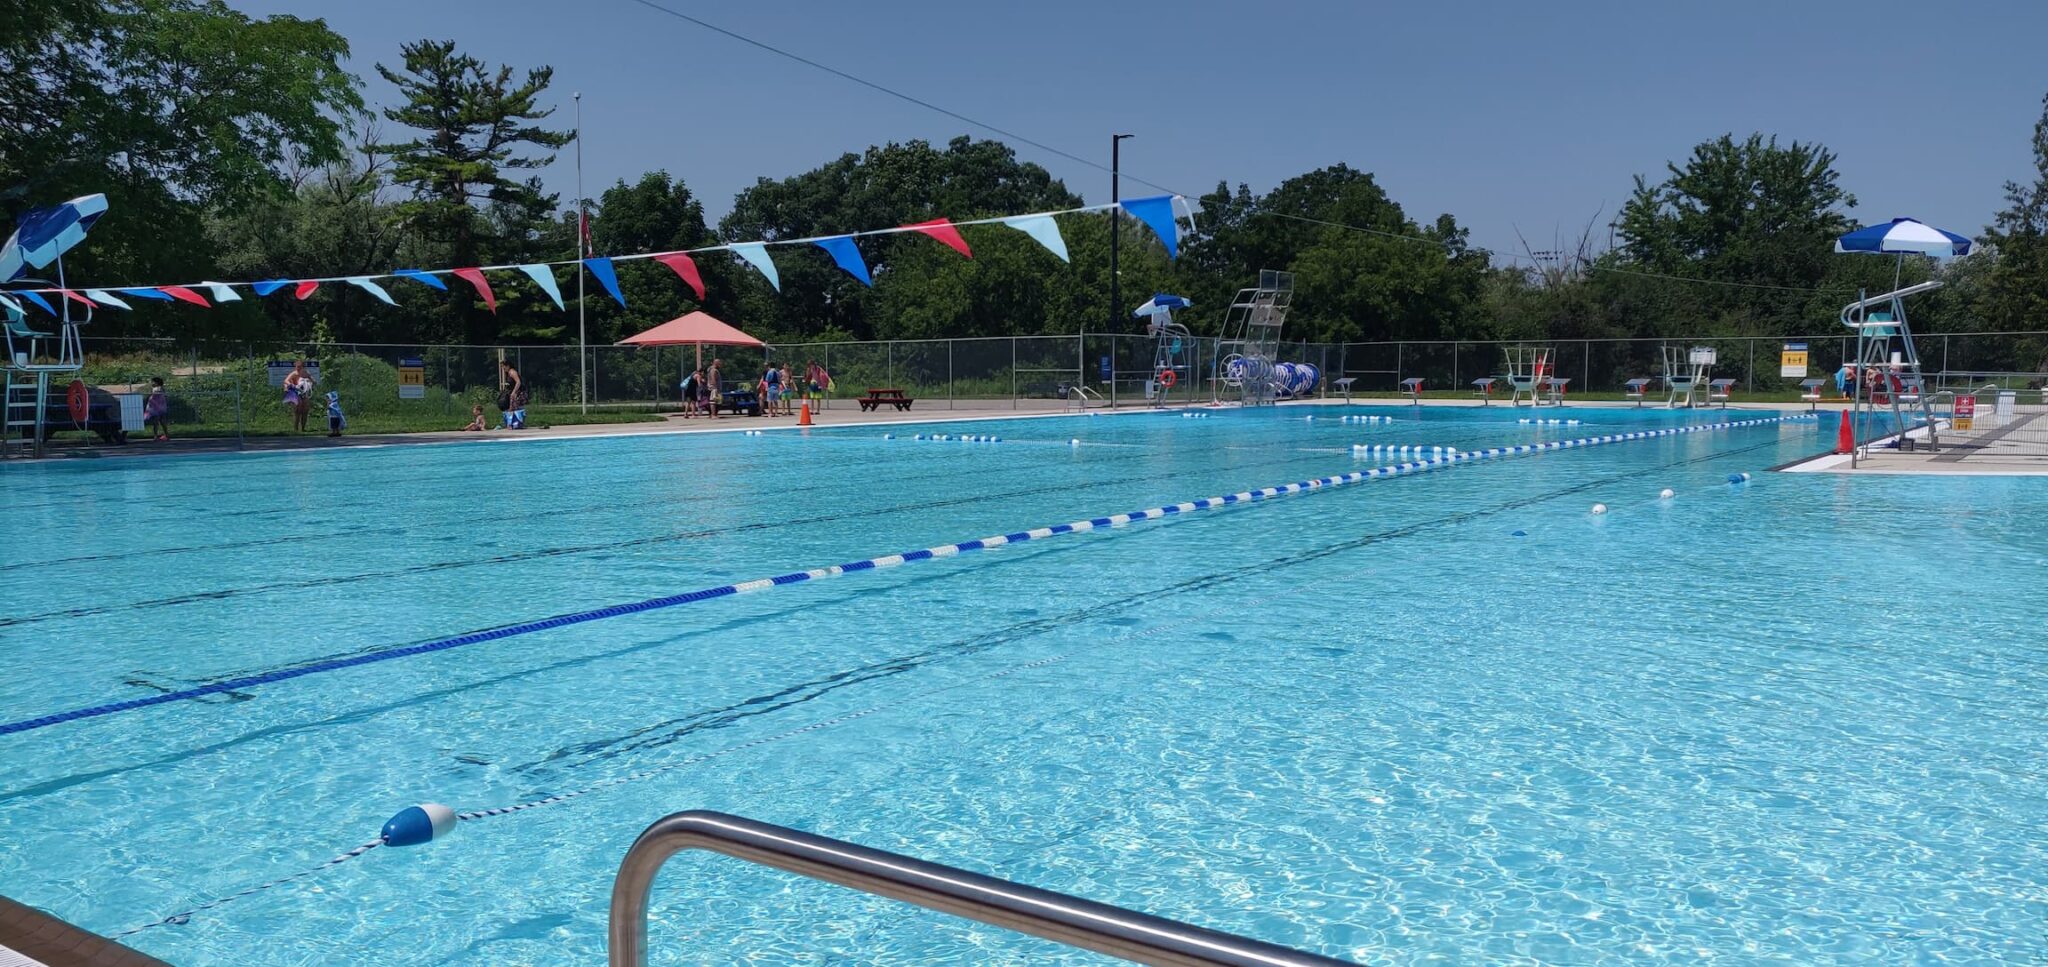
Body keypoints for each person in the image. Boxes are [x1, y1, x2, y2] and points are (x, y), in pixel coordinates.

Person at [283, 359, 314, 432]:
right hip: (296, 393)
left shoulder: (306, 373)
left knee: (305, 410)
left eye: (299, 366)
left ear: (303, 367)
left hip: (304, 393)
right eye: (297, 366)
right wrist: (292, 385)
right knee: (297, 411)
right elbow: (286, 380)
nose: (298, 368)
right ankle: (296, 428)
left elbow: (312, 380)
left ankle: (303, 428)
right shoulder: (294, 373)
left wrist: (310, 382)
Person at [499, 359, 526, 429]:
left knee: (514, 408)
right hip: (513, 393)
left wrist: (514, 392)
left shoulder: (512, 372)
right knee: (511, 408)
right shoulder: (508, 373)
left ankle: (515, 424)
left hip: (518, 393)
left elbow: (518, 382)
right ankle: (512, 424)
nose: (503, 368)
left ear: (508, 366)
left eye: (503, 366)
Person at [144, 376, 170, 441]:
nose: (152, 383)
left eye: (153, 382)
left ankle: (156, 436)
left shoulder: (157, 388)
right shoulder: (160, 388)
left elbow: (155, 394)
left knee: (156, 422)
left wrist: (151, 394)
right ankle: (166, 435)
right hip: (160, 406)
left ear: (157, 383)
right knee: (161, 421)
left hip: (157, 407)